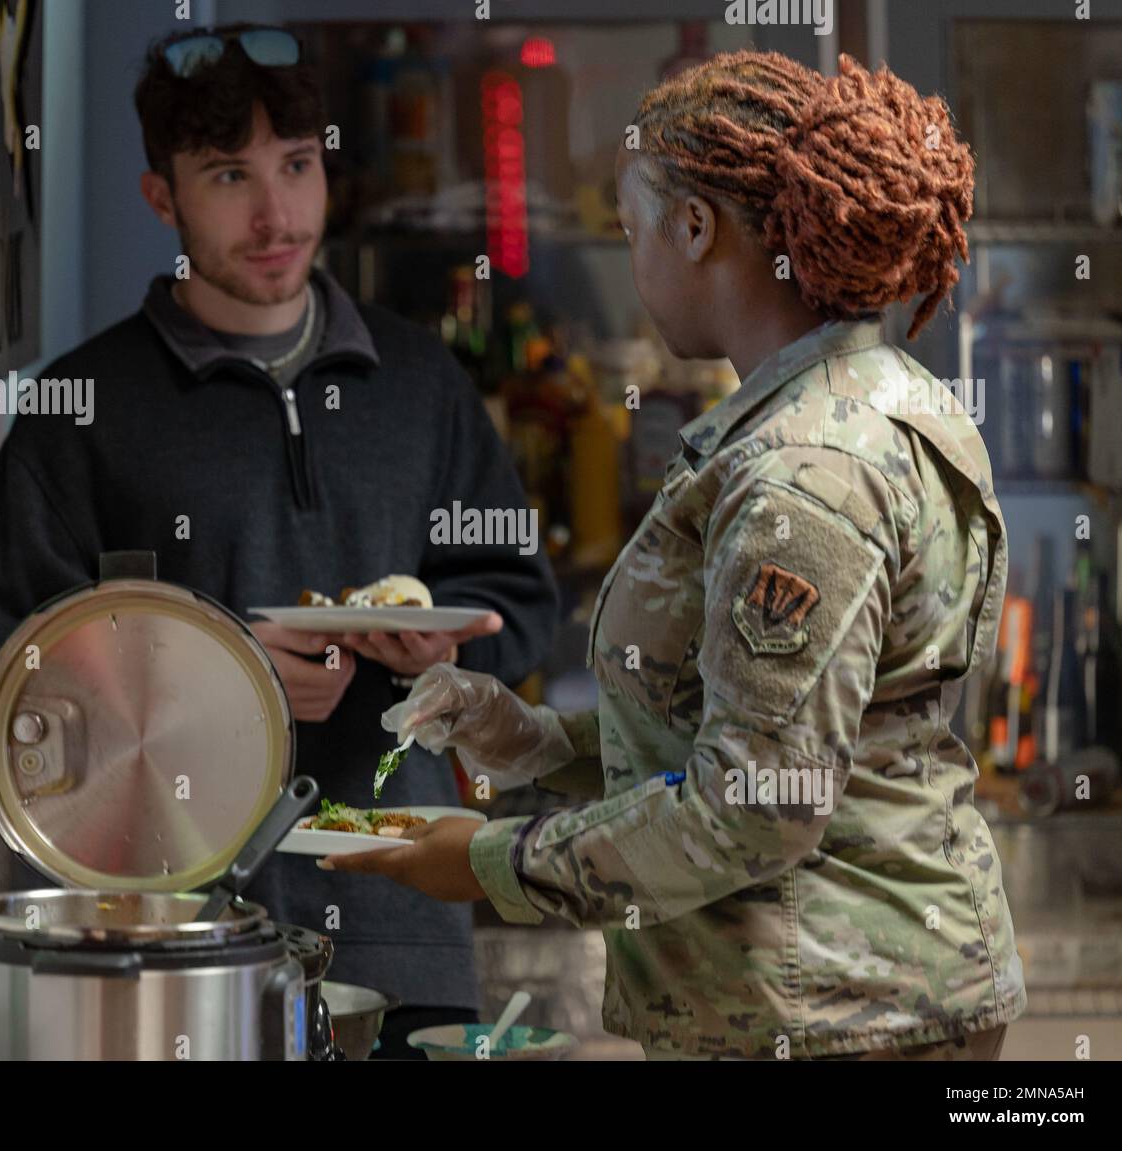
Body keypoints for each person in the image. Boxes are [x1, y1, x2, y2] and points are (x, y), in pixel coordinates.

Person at [327, 51, 1026, 1060]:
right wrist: (533, 740)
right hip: (839, 1003)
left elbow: (752, 806)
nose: (630, 256)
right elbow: (758, 725)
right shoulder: (868, 397)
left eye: (631, 228)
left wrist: (486, 860)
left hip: (836, 1015)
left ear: (694, 229)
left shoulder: (802, 474)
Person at [0, 24, 557, 1059]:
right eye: (228, 175)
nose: (276, 213)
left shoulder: (419, 384)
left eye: (295, 166)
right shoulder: (78, 410)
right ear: (164, 199)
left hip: (403, 912)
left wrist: (449, 648)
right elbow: (23, 694)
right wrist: (222, 680)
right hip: (175, 937)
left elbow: (517, 594)